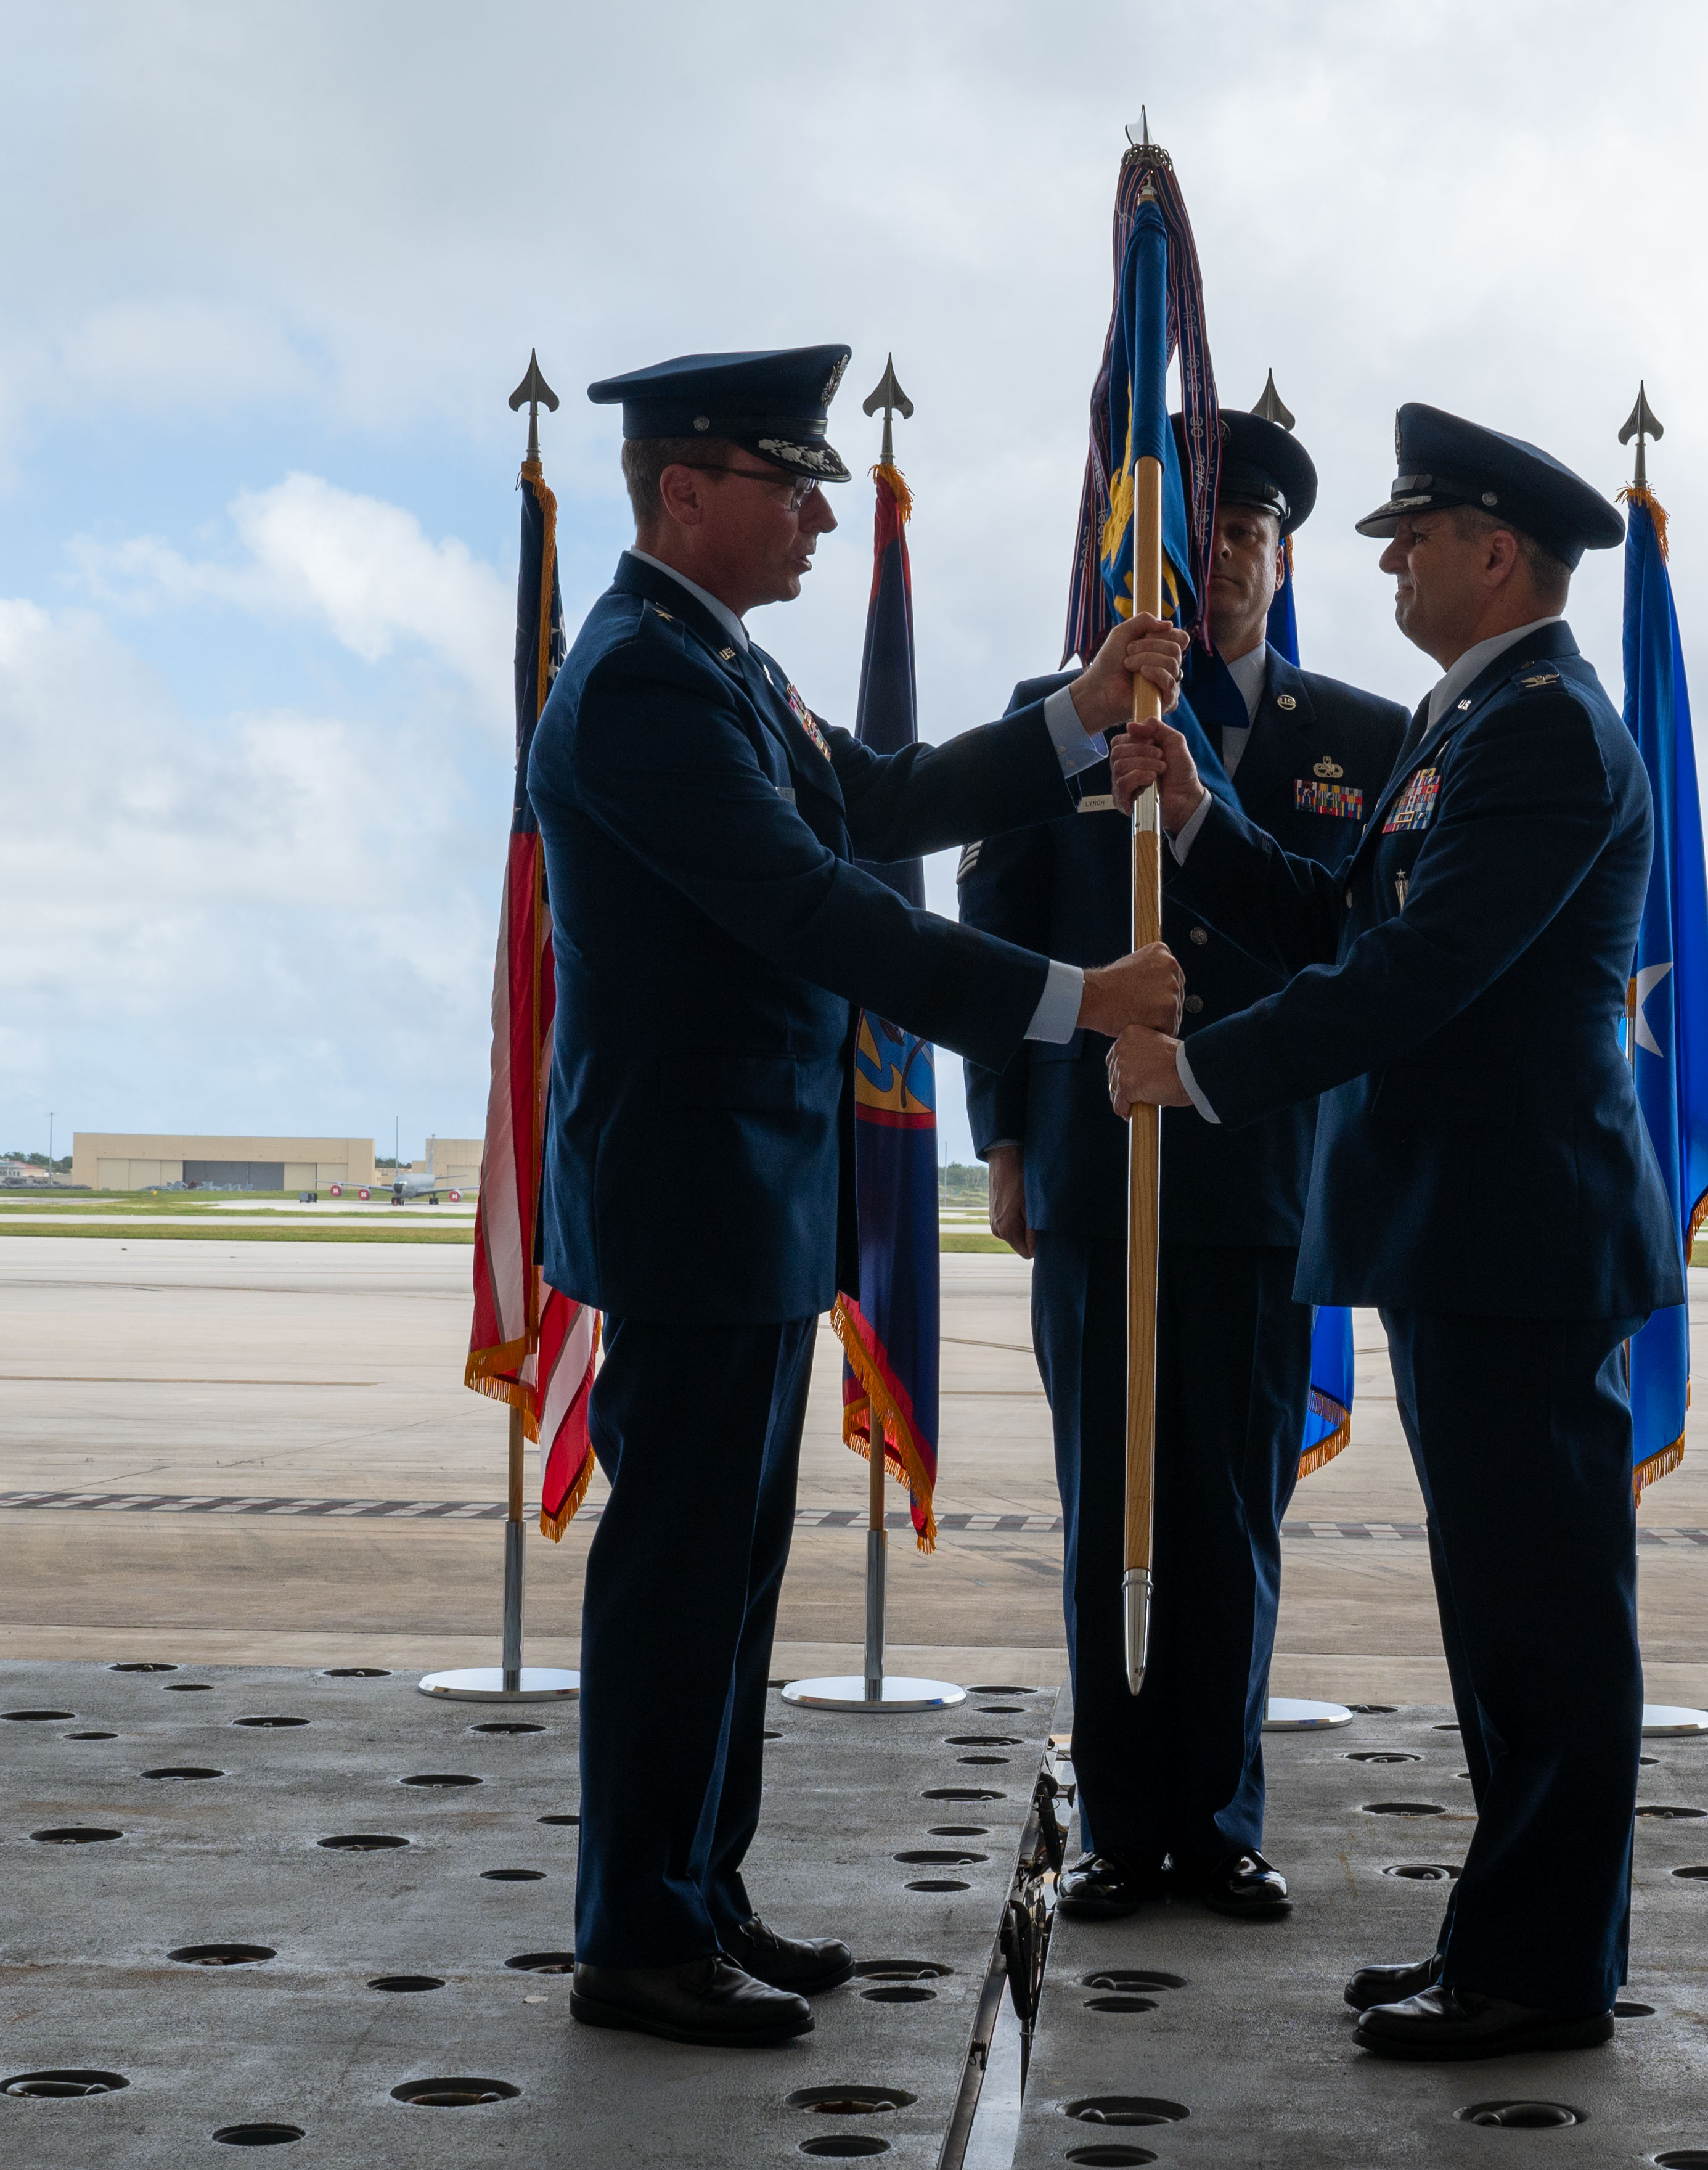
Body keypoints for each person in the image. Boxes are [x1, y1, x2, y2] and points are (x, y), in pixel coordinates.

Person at [525, 345, 1186, 2049]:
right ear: (686, 491)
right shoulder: (644, 686)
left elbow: (877, 799)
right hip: (691, 1199)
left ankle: (694, 1890)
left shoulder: (716, 662)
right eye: (786, 479)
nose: (823, 510)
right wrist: (1073, 997)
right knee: (677, 1579)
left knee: (729, 1579)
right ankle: (636, 1939)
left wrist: (1075, 710)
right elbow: (822, 910)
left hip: (745, 1195)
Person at [1106, 403, 1682, 2060]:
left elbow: (1417, 977)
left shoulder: (1546, 731)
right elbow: (1343, 913)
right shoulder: (1466, 726)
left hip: (1520, 1235)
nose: (1385, 563)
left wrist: (1196, 1068)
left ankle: (1540, 1970)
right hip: (1463, 1233)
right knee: (1502, 1625)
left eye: (1410, 538)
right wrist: (1203, 812)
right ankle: (1504, 1937)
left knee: (1547, 1628)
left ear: (1494, 553)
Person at [957, 403, 1408, 1925]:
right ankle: (1119, 1821)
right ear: (1127, 554)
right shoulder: (1062, 712)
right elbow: (998, 931)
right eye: (1188, 534)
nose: (1214, 561)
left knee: (1229, 1513)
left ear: (1281, 560)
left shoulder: (1355, 736)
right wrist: (1007, 1140)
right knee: (1111, 1507)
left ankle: (1217, 1819)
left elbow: (1365, 952)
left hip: (1264, 1176)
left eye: (1241, 535)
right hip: (1099, 1163)